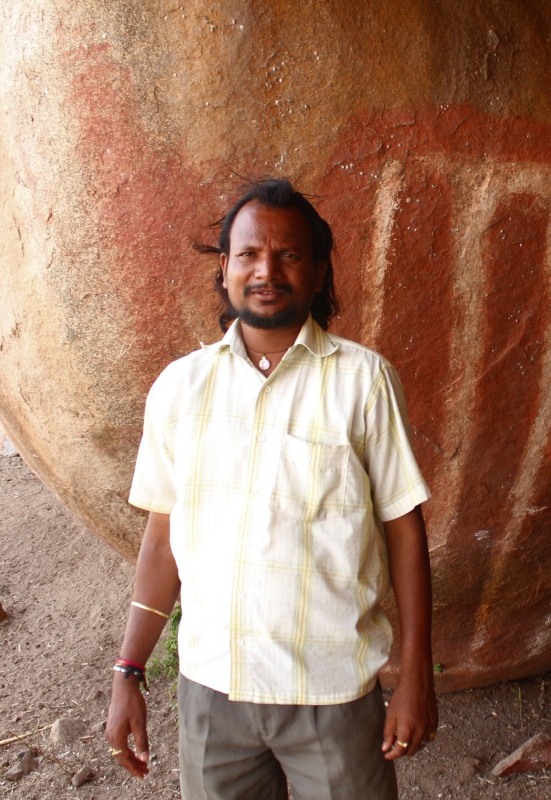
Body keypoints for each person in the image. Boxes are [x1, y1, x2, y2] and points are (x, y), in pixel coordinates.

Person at [105, 178, 437, 799]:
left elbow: (404, 530)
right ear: (225, 269)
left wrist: (416, 673)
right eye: (249, 254)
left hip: (331, 694)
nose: (267, 270)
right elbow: (161, 541)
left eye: (288, 255)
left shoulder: (363, 383)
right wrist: (129, 669)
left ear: (317, 273)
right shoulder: (180, 390)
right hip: (211, 695)